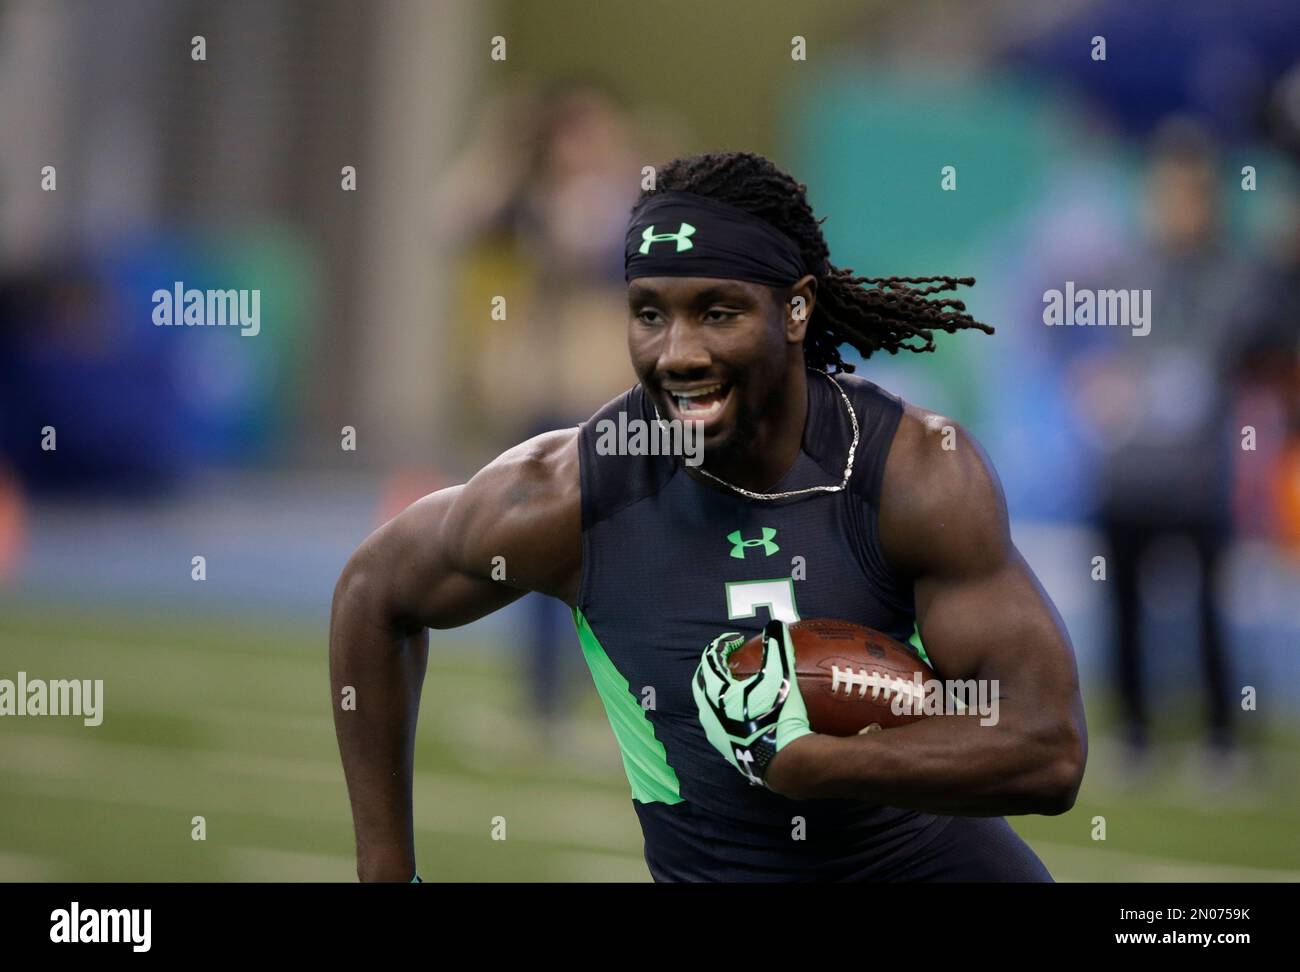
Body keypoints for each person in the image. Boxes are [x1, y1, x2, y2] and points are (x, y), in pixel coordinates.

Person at [330, 151, 1087, 882]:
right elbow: (374, 590)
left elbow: (1047, 749)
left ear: (795, 310)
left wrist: (817, 765)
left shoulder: (910, 472)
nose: (676, 353)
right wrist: (386, 872)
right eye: (650, 314)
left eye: (716, 313)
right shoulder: (566, 497)